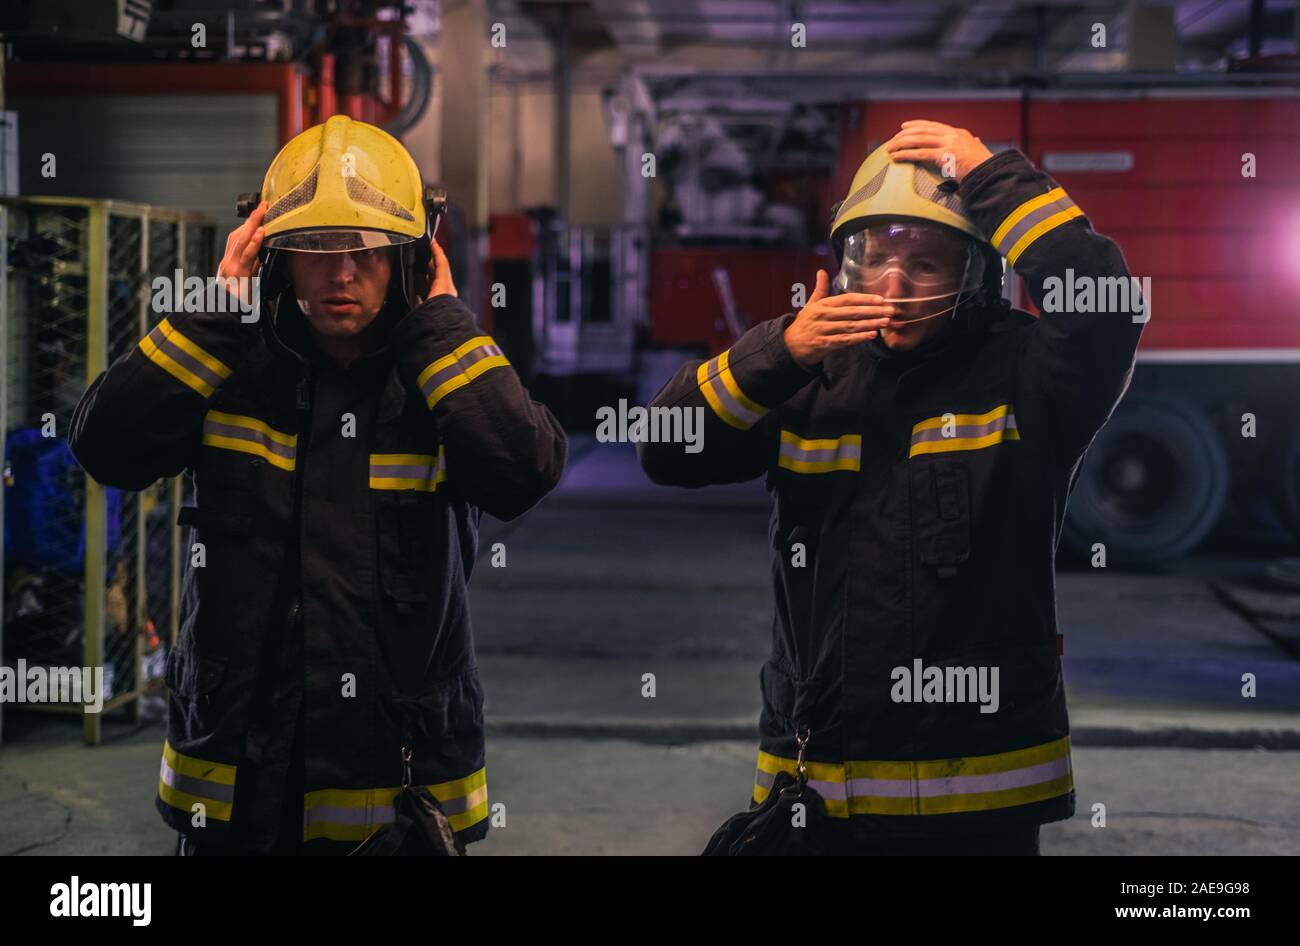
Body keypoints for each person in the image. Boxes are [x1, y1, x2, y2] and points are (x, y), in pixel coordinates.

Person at [639, 120, 1144, 855]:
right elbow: (662, 449)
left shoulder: (1027, 377)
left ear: (973, 270)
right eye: (876, 258)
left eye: (927, 264)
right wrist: (775, 354)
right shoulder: (809, 372)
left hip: (976, 798)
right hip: (817, 792)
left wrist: (994, 176)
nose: (896, 287)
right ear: (845, 262)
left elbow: (1103, 308)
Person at [70, 115, 567, 855]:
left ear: (410, 259)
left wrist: (443, 325)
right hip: (236, 780)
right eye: (314, 250)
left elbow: (522, 470)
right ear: (271, 258)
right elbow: (106, 448)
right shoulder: (227, 365)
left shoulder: (436, 378)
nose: (341, 275)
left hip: (397, 782)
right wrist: (215, 315)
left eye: (367, 252)